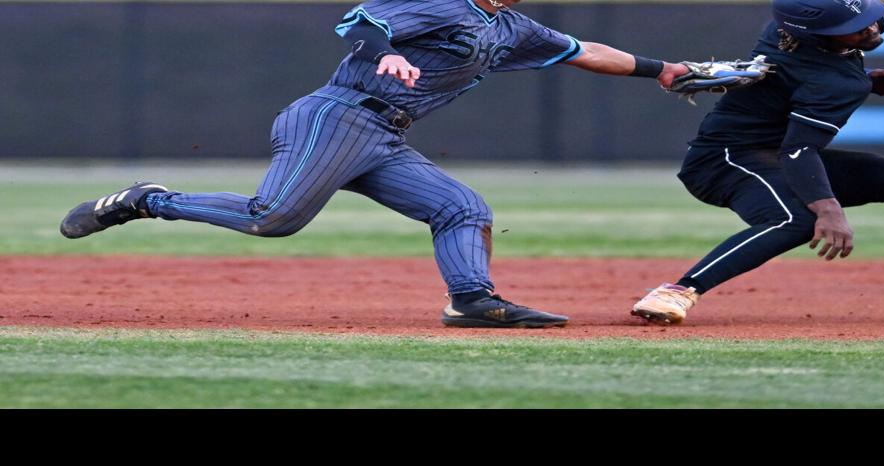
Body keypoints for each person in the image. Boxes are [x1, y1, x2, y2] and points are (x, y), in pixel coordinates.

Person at [60, 0, 692, 329]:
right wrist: (387, 52)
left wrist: (663, 70)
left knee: (461, 209)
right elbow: (359, 23)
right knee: (272, 219)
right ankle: (146, 199)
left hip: (386, 132)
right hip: (337, 116)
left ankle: (471, 299)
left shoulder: (514, 28)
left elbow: (588, 51)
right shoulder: (441, 2)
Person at [631, 0, 884, 326]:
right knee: (796, 220)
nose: (871, 29)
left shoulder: (785, 35)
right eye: (855, 27)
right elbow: (800, 150)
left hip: (773, 149)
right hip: (725, 160)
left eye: (870, 17)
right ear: (814, 37)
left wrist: (869, 78)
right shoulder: (836, 82)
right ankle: (678, 291)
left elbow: (801, 79)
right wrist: (828, 207)